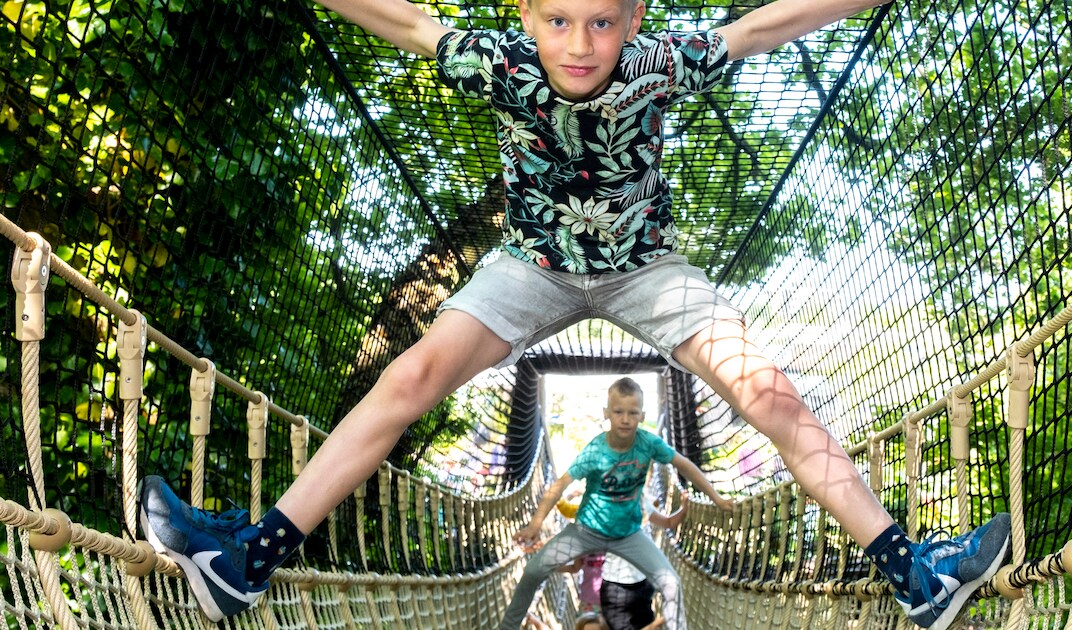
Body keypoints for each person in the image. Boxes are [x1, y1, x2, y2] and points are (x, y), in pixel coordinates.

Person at [139, 1, 1011, 629]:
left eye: (601, 22)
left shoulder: (658, 63)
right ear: (526, 17)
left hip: (648, 269)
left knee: (772, 395)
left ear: (633, 19)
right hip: (531, 268)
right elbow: (407, 22)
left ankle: (915, 576)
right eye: (559, 21)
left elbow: (763, 26)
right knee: (409, 376)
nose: (580, 44)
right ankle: (249, 561)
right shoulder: (503, 64)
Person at [502, 378, 725, 629]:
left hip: (628, 536)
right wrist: (535, 524)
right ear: (606, 413)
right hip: (585, 532)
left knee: (672, 583)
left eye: (632, 412)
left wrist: (714, 496)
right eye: (618, 412)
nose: (625, 419)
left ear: (642, 415)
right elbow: (560, 485)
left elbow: (683, 464)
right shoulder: (596, 451)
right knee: (533, 571)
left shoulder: (648, 444)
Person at [601, 492, 686, 630]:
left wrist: (684, 507)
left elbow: (669, 522)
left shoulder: (640, 501)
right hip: (618, 586)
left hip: (641, 584)